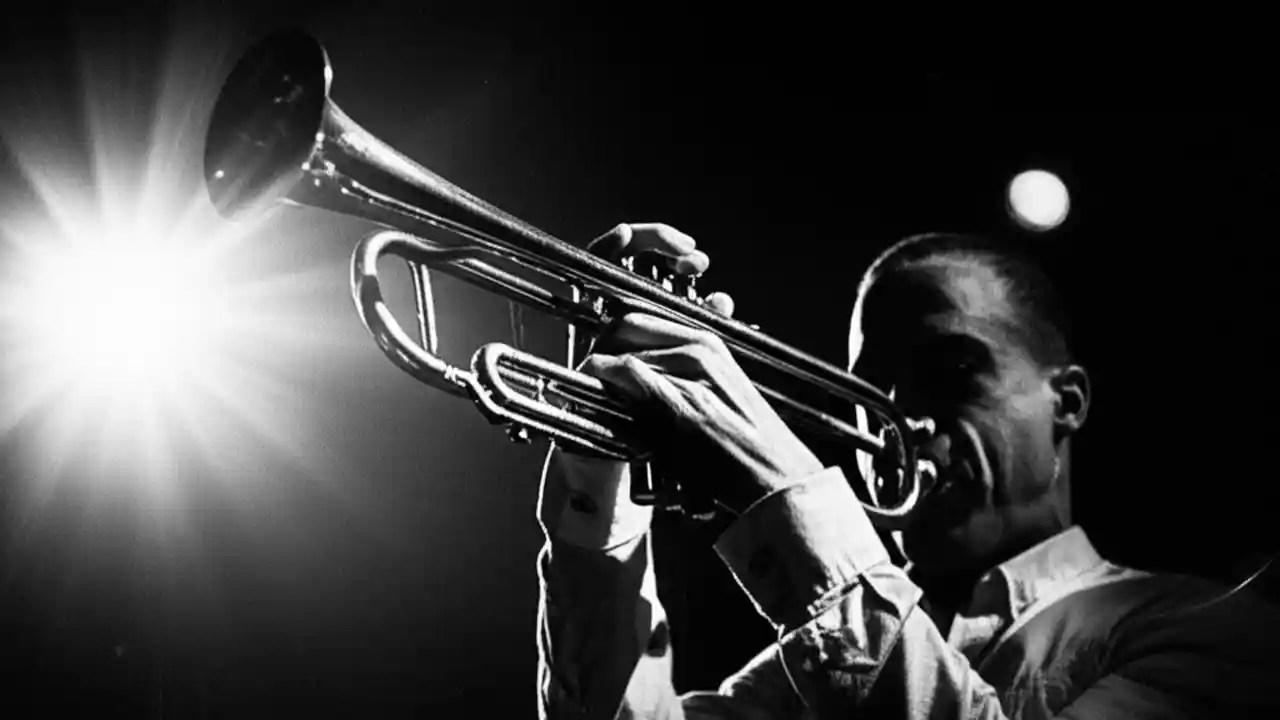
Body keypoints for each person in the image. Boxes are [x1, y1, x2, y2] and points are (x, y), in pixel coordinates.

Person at [534, 223, 1280, 719]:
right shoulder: (802, 667)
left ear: (1069, 403)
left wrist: (784, 493)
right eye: (876, 389)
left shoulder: (1210, 630)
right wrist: (600, 464)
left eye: (953, 368)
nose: (901, 423)